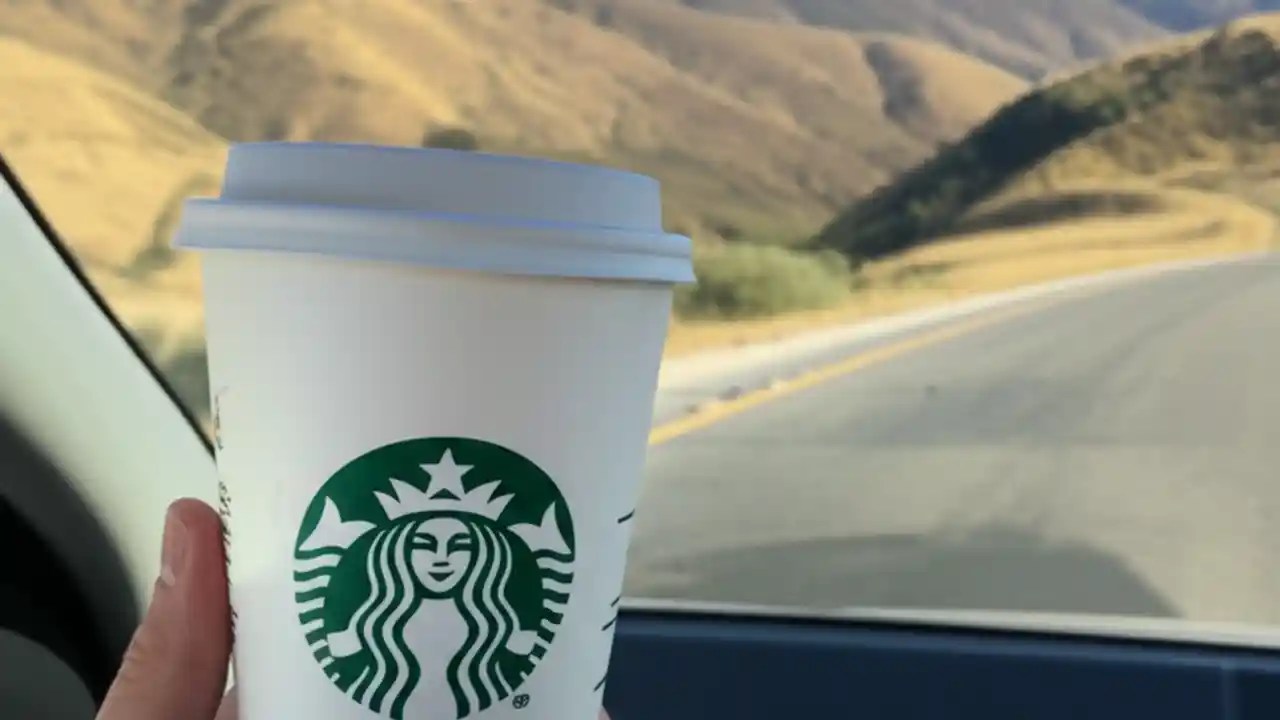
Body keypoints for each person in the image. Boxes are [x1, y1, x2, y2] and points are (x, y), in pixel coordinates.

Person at [95, 498, 610, 720]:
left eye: (460, 546)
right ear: (394, 553)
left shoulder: (509, 638)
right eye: (423, 544)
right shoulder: (355, 639)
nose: (442, 558)